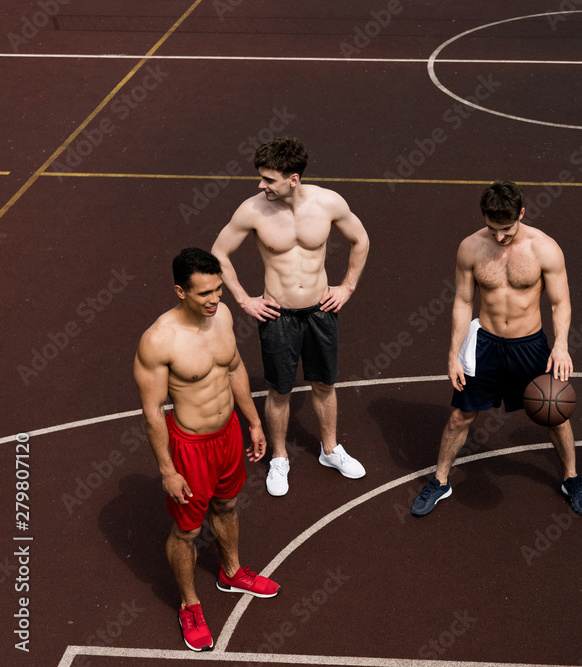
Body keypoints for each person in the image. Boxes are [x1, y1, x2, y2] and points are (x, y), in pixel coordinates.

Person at [410, 180, 582, 517]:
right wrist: (453, 353)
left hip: (530, 345)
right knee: (459, 416)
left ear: (521, 214)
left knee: (555, 413)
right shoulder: (470, 248)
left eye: (506, 229)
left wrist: (562, 345)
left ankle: (571, 478)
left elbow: (560, 302)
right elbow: (464, 301)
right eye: (493, 229)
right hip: (485, 345)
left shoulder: (544, 248)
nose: (499, 237)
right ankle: (440, 480)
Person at [134, 248, 280, 652]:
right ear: (180, 291)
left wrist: (252, 421)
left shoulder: (223, 317)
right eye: (204, 294)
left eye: (218, 290)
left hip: (229, 433)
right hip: (190, 446)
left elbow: (232, 368)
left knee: (228, 506)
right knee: (187, 530)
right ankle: (189, 603)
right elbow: (152, 413)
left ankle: (231, 571)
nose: (215, 299)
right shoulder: (159, 340)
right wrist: (166, 470)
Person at [212, 136, 370, 497]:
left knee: (325, 384)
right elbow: (219, 253)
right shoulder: (252, 210)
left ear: (293, 178)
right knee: (280, 390)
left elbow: (360, 240)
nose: (261, 185)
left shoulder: (328, 202)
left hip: (321, 312)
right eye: (261, 178)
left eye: (269, 179)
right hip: (278, 315)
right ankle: (280, 457)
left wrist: (346, 287)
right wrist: (243, 300)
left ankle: (330, 450)